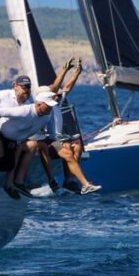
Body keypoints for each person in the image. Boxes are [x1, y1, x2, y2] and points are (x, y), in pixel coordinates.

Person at [35, 58, 100, 195]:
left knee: (78, 146)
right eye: (54, 95)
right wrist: (65, 69)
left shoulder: (56, 102)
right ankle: (80, 183)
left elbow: (67, 87)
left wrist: (77, 72)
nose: (57, 96)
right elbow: (54, 86)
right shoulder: (42, 105)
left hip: (57, 139)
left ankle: (69, 180)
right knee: (67, 147)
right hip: (46, 141)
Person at [0, 88, 59, 199]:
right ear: (38, 104)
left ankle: (15, 183)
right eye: (48, 106)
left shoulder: (46, 117)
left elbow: (50, 127)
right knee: (4, 157)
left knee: (22, 147)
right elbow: (0, 112)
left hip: (16, 140)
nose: (50, 109)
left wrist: (53, 139)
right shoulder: (25, 111)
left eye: (51, 106)